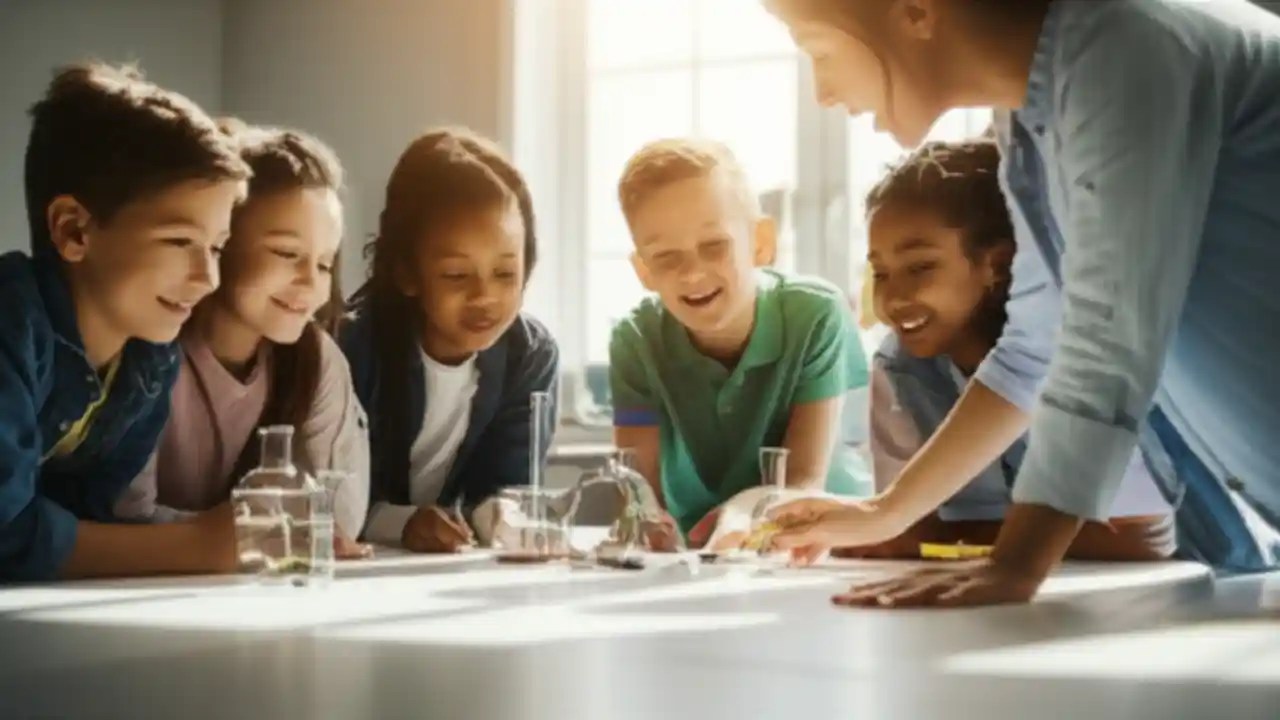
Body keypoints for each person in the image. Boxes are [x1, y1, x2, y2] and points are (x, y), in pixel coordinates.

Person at [766, 0, 1280, 606]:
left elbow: (1107, 338)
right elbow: (1035, 346)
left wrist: (1015, 564)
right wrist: (886, 512)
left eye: (819, 50)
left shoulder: (1126, 44)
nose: (822, 92)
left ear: (913, 11)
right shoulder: (1031, 114)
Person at [796, 138, 1172, 564]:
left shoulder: (1077, 359)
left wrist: (944, 536)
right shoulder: (901, 370)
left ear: (996, 264)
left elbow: (1145, 535)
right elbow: (907, 528)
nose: (894, 297)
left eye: (920, 267)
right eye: (880, 272)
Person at [0, 63, 247, 582]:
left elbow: (89, 519)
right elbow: (8, 533)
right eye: (180, 241)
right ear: (74, 231)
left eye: (218, 247)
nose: (208, 278)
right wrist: (197, 546)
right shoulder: (11, 323)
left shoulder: (150, 363)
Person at [115, 123, 371, 556]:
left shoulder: (314, 358)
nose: (310, 283)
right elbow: (125, 514)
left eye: (325, 264)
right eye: (287, 254)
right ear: (221, 241)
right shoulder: (152, 342)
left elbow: (338, 520)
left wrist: (252, 535)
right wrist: (259, 533)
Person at [609, 138, 871, 548]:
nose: (693, 273)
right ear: (644, 270)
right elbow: (641, 493)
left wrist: (745, 511)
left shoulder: (815, 314)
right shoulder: (635, 340)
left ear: (761, 242)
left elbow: (804, 481)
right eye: (666, 257)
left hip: (825, 542)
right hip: (708, 545)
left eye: (714, 246)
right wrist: (651, 528)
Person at [341, 128, 559, 553]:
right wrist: (401, 523)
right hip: (356, 562)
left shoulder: (529, 354)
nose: (485, 297)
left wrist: (503, 516)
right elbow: (325, 490)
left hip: (437, 567)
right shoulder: (349, 347)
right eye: (457, 275)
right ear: (406, 271)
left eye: (505, 274)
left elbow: (506, 482)